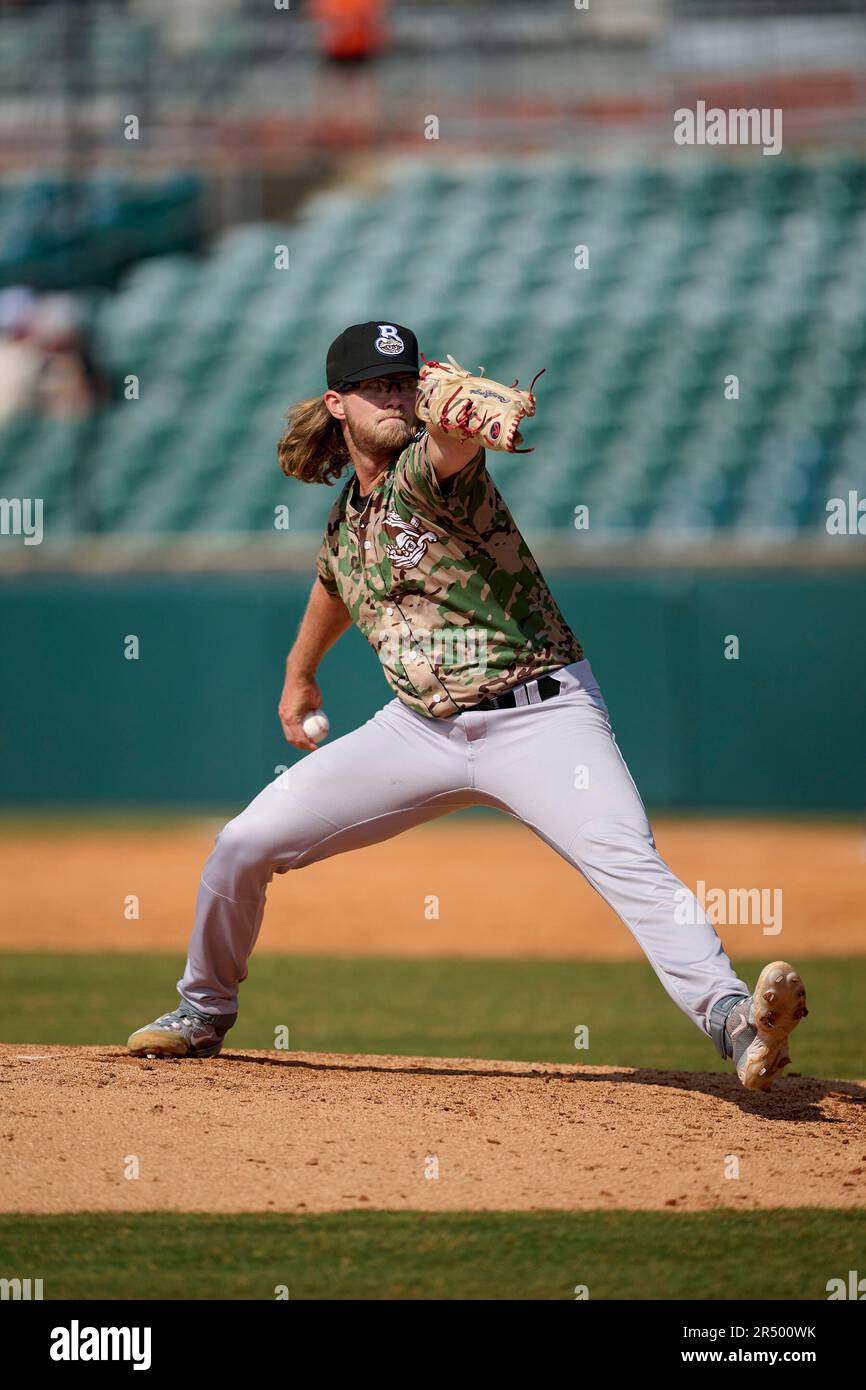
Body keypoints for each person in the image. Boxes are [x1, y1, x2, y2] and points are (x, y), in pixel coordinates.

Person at [127, 321, 808, 1090]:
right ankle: (202, 1009)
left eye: (403, 382)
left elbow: (453, 446)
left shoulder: (430, 470)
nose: (393, 395)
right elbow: (332, 582)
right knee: (242, 845)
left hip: (543, 718)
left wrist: (453, 418)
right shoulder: (353, 513)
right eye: (374, 385)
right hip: (418, 731)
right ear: (338, 404)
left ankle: (734, 1017)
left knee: (627, 860)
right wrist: (299, 674)